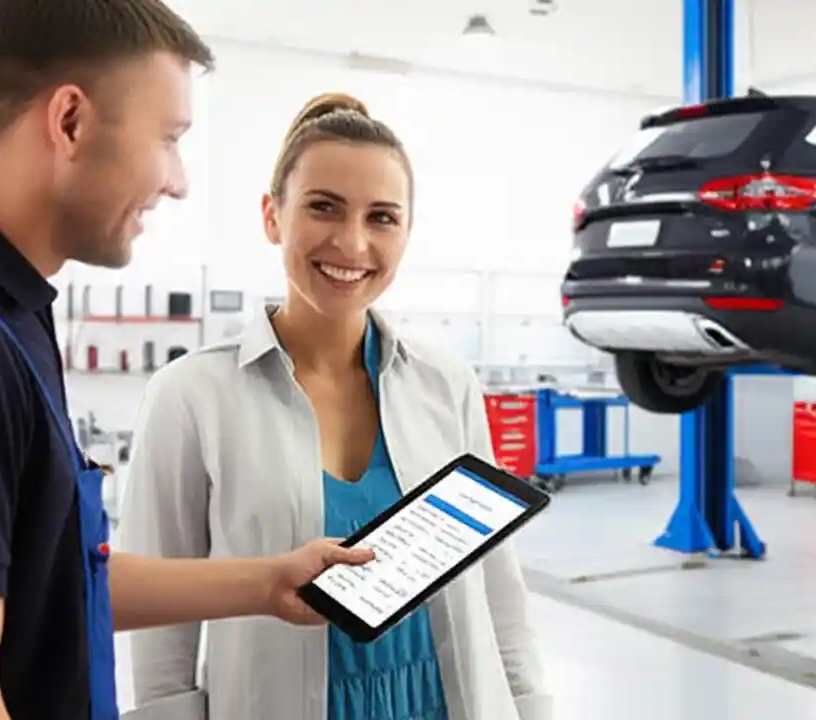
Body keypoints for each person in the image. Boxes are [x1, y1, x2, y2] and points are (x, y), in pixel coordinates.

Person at [0, 3, 373, 720]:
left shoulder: (5, 310)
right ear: (70, 122)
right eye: (169, 138)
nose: (177, 180)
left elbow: (51, 578)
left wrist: (270, 581)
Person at [118, 92, 552, 720]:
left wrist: (532, 707)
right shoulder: (192, 396)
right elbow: (160, 633)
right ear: (273, 216)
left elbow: (496, 586)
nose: (352, 243)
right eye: (324, 208)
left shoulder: (445, 382)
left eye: (382, 217)